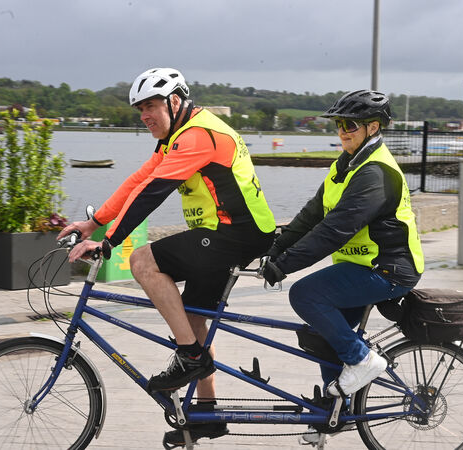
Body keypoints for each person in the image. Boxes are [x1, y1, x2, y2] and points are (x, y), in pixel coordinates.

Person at [58, 68, 276, 446]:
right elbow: (136, 183)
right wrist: (93, 223)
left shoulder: (198, 136)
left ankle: (190, 356)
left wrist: (109, 243)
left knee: (143, 262)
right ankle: (207, 413)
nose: (144, 116)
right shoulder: (176, 137)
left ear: (174, 102)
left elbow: (152, 194)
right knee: (194, 318)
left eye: (151, 106)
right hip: (222, 235)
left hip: (235, 234)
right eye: (139, 109)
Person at [261, 90, 424, 441]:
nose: (342, 131)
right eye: (339, 125)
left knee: (306, 294)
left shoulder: (376, 173)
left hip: (388, 269)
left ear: (373, 127)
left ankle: (363, 360)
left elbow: (334, 231)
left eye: (349, 125)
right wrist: (274, 250)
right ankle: (334, 415)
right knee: (324, 337)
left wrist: (285, 266)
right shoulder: (345, 166)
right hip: (362, 266)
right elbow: (311, 216)